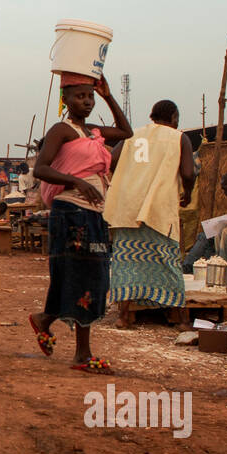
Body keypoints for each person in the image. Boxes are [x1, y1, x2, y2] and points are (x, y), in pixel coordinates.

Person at [27, 74, 132, 373]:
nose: (86, 102)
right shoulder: (62, 130)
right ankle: (81, 353)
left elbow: (127, 131)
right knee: (84, 276)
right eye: (79, 96)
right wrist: (76, 181)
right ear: (66, 100)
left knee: (89, 276)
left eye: (90, 97)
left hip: (93, 214)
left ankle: (46, 319)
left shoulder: (94, 133)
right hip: (72, 212)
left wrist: (109, 96)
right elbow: (42, 169)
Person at [104, 99, 195, 328]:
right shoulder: (179, 137)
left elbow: (111, 161)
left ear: (152, 115)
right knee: (168, 260)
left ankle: (123, 317)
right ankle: (182, 319)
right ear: (173, 117)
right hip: (158, 206)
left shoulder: (133, 136)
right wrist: (189, 193)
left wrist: (130, 176)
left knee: (127, 261)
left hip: (128, 206)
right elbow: (188, 172)